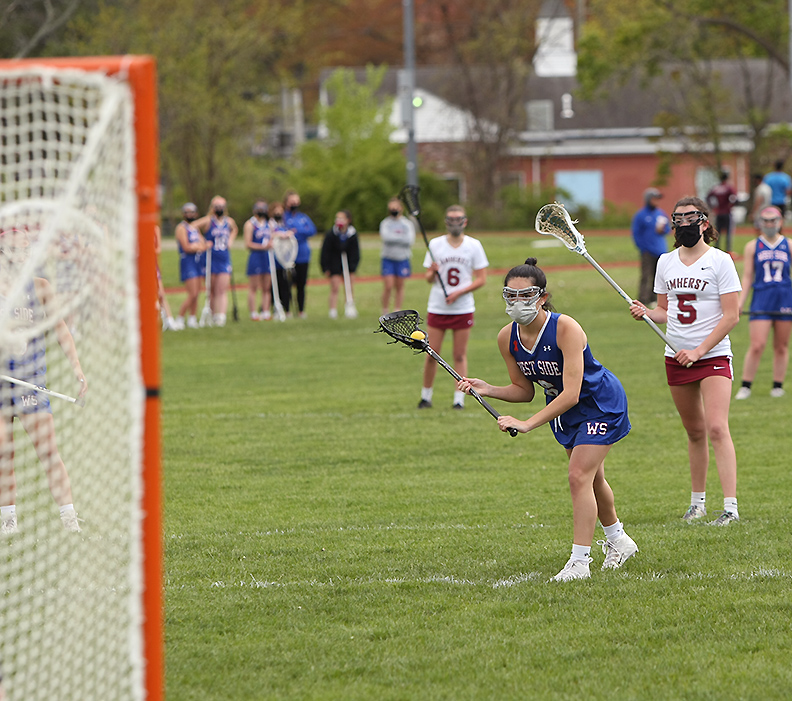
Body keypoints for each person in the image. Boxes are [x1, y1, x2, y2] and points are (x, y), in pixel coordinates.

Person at [456, 258, 637, 582]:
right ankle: (619, 541)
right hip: (565, 412)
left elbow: (571, 391)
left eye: (525, 295)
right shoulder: (506, 337)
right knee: (592, 479)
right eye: (510, 295)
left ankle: (580, 562)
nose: (517, 302)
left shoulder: (565, 328)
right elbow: (523, 390)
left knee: (578, 475)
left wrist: (526, 424)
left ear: (541, 297)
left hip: (599, 403)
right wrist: (488, 389)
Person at [629, 196, 741, 526]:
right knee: (694, 432)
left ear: (704, 222)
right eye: (678, 218)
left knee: (717, 428)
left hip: (713, 355)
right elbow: (665, 310)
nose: (684, 223)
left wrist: (699, 350)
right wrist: (647, 313)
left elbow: (731, 316)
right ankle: (697, 504)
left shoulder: (721, 261)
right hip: (676, 356)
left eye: (691, 217)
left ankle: (730, 507)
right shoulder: (666, 262)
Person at [0, 228, 88, 535]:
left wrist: (76, 366)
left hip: (30, 381)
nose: (21, 255)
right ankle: (8, 522)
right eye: (14, 249)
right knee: (3, 453)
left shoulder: (40, 288)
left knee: (48, 452)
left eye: (26, 249)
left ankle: (69, 519)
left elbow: (61, 330)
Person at [418, 205, 489, 410]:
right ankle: (426, 397)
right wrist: (432, 272)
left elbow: (481, 278)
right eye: (451, 219)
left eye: (458, 219)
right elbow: (428, 278)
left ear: (465, 221)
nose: (455, 222)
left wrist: (459, 292)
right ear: (446, 221)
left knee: (459, 355)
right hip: (438, 306)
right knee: (432, 353)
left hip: (462, 308)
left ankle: (459, 399)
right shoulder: (435, 244)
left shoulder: (474, 245)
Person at [735, 206, 792, 399]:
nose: (769, 224)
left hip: (784, 299)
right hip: (761, 299)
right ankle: (746, 386)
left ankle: (777, 385)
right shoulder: (753, 246)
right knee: (757, 344)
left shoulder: (789, 245)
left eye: (773, 220)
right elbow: (748, 277)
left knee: (781, 345)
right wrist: (740, 302)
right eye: (765, 221)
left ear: (780, 222)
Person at [194, 196, 238, 327]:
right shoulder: (208, 221)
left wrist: (230, 240)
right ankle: (212, 315)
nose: (219, 209)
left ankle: (221, 316)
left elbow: (235, 229)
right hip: (210, 259)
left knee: (222, 289)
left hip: (224, 259)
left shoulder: (229, 222)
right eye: (216, 206)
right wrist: (202, 241)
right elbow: (192, 226)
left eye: (222, 206)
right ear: (212, 208)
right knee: (211, 290)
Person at [631, 188, 670, 306]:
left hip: (660, 250)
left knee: (657, 276)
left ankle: (654, 298)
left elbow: (668, 229)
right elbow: (636, 233)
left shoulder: (660, 213)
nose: (656, 202)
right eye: (654, 199)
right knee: (645, 275)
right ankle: (642, 298)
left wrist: (663, 229)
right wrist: (642, 247)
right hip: (647, 251)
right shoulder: (641, 215)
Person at [173, 202, 209, 330]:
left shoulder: (195, 228)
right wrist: (199, 247)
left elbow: (204, 243)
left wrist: (200, 246)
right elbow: (187, 247)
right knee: (192, 293)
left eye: (192, 212)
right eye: (187, 212)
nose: (190, 214)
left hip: (198, 261)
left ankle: (192, 318)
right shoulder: (181, 228)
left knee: (198, 292)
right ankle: (180, 318)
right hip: (188, 262)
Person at [282, 190, 316, 318]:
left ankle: (301, 310)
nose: (295, 204)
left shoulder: (303, 217)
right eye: (292, 202)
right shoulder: (284, 217)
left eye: (296, 201)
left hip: (303, 255)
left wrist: (296, 232)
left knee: (301, 284)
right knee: (287, 284)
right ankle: (287, 310)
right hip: (288, 256)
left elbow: (311, 230)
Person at [320, 210, 360, 319]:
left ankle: (350, 307)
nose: (339, 221)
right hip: (334, 264)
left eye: (342, 218)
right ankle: (332, 310)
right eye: (337, 218)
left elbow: (356, 252)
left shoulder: (352, 234)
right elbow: (325, 251)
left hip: (349, 265)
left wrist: (353, 266)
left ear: (348, 220)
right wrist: (325, 267)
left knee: (349, 286)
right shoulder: (331, 234)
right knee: (335, 287)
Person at [379, 196, 416, 315]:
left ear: (401, 208)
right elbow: (386, 238)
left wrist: (395, 238)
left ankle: (397, 309)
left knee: (400, 286)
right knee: (388, 285)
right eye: (391, 208)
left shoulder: (407, 224)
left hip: (402, 258)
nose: (394, 210)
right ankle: (385, 309)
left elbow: (409, 240)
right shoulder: (385, 223)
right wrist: (400, 238)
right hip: (388, 258)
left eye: (396, 207)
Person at [243, 200, 273, 321]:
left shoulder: (269, 224)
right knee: (254, 286)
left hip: (267, 257)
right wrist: (262, 247)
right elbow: (248, 243)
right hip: (256, 256)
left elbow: (273, 237)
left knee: (266, 287)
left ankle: (266, 311)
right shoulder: (250, 224)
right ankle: (253, 312)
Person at [154, 224, 178, 331]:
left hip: (153, 265)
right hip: (140, 265)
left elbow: (158, 249)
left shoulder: (155, 228)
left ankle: (169, 320)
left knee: (161, 294)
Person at [706, 171, 737, 252]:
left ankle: (716, 249)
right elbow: (735, 198)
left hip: (718, 212)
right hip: (727, 212)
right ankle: (728, 250)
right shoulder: (729, 187)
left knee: (717, 233)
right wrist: (731, 206)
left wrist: (712, 207)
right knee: (728, 233)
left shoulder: (716, 188)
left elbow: (708, 197)